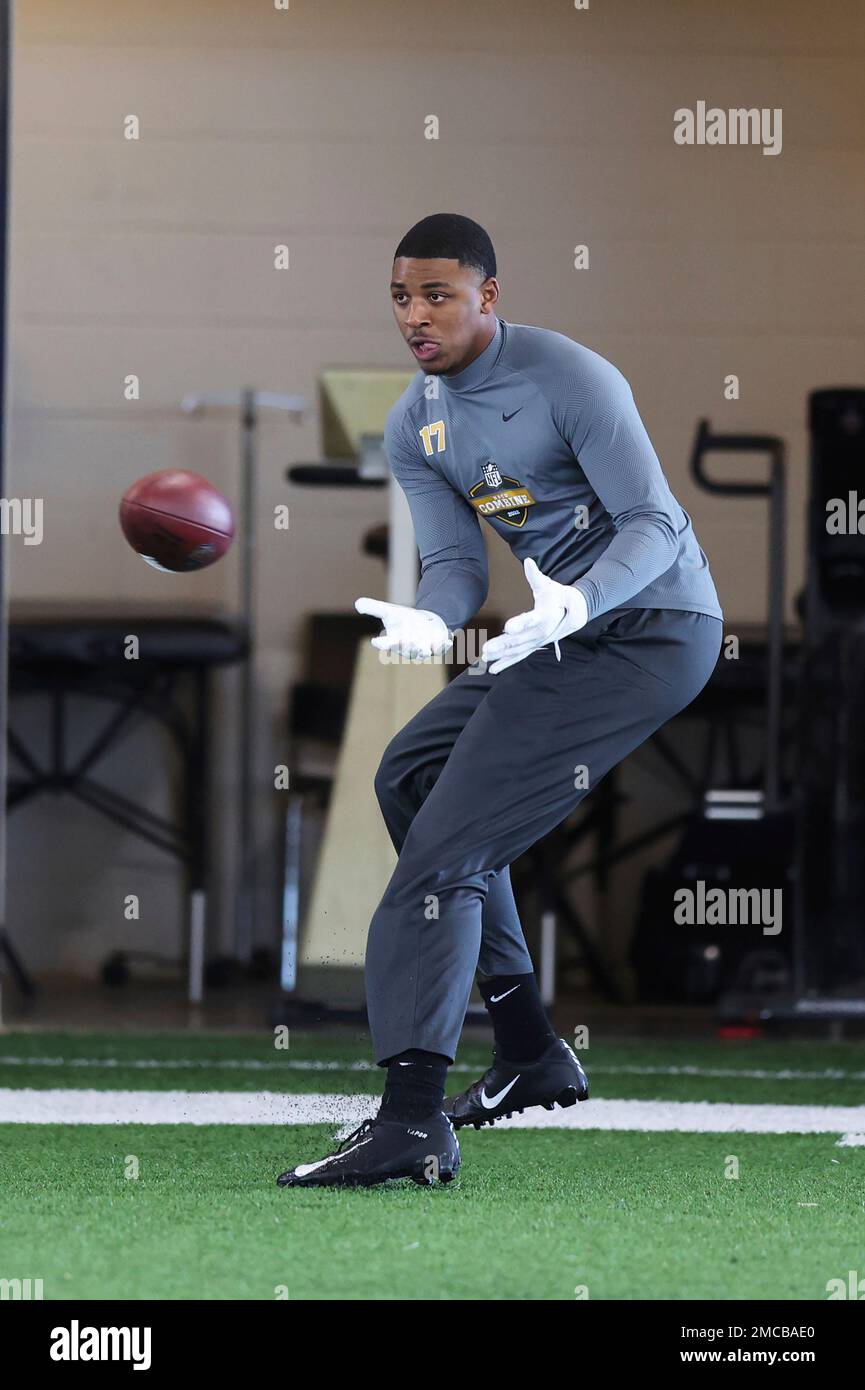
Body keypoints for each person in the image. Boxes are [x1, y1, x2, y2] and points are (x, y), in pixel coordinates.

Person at [277, 213, 723, 1189]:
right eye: (400, 296)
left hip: (652, 629)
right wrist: (430, 622)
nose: (415, 314)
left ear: (488, 294)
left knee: (445, 854)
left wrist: (582, 595)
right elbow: (452, 566)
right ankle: (526, 1047)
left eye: (437, 293)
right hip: (556, 633)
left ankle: (411, 1119)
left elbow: (652, 517)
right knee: (412, 773)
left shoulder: (571, 378)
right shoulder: (414, 421)